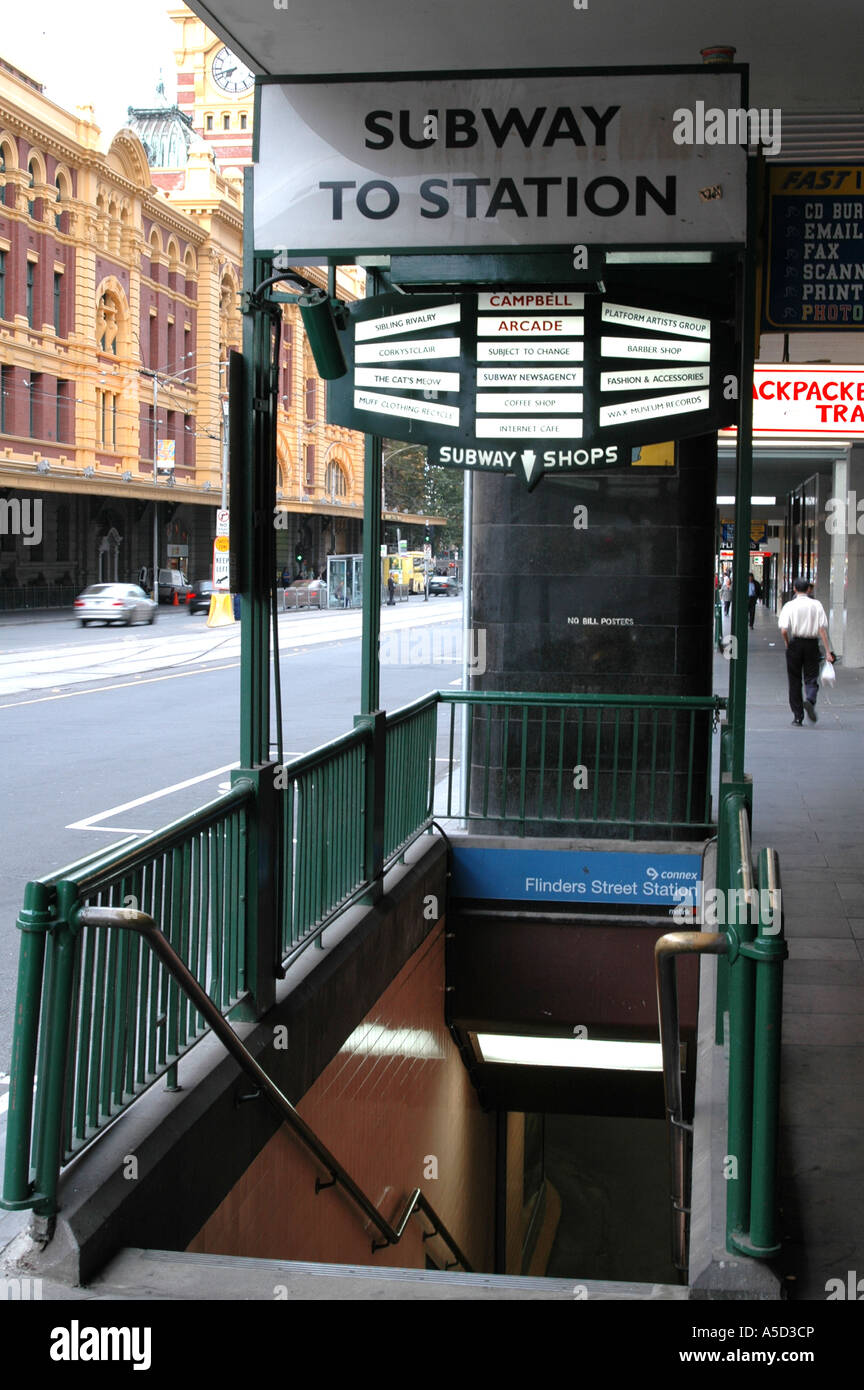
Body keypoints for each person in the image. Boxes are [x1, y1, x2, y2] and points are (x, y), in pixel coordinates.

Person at [777, 578, 835, 725]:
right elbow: (822, 629)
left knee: (794, 680)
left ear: (795, 589)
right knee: (811, 676)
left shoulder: (790, 605)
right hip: (812, 644)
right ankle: (810, 699)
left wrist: (787, 643)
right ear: (808, 589)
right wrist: (828, 651)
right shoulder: (816, 605)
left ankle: (798, 716)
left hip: (795, 643)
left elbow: (784, 629)